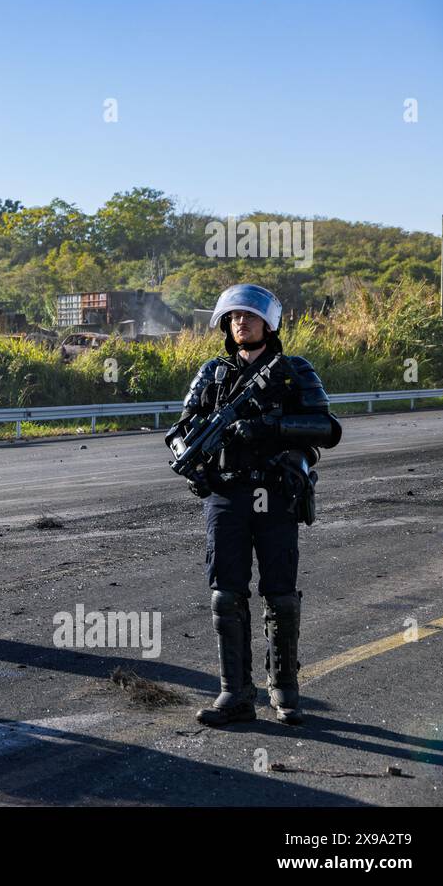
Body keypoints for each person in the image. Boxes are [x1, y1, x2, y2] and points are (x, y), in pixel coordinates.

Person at [165, 284, 341, 726]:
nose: (240, 323)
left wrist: (268, 428)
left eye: (249, 316)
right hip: (226, 494)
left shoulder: (293, 371)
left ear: (269, 323)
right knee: (226, 594)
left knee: (280, 594)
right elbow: (180, 430)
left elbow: (326, 428)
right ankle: (235, 694)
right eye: (234, 318)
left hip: (275, 493)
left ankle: (284, 691)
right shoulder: (213, 374)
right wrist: (193, 466)